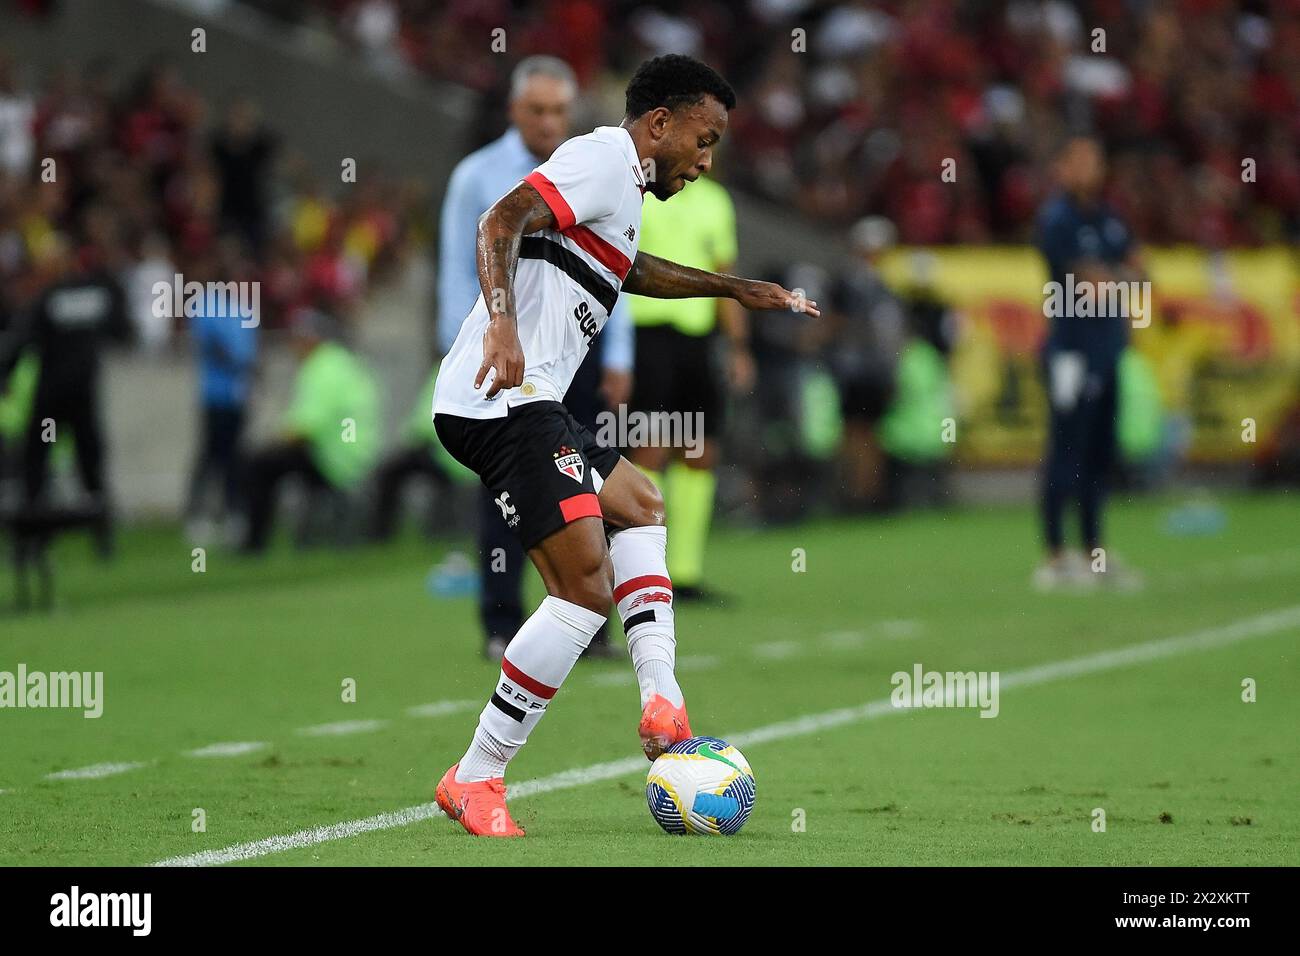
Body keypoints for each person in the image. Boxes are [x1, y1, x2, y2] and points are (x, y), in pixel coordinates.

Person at [430, 54, 818, 837]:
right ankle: (476, 776)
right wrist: (502, 324)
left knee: (640, 502)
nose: (707, 161)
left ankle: (661, 702)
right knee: (581, 591)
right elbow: (498, 220)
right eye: (703, 140)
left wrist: (732, 288)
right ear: (660, 123)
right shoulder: (602, 159)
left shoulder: (624, 187)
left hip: (533, 400)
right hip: (502, 401)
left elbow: (625, 268)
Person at [437, 56, 635, 659]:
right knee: (507, 494)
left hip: (574, 357)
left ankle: (589, 620)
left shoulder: (585, 169)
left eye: (558, 111)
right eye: (537, 110)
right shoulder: (478, 175)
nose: (549, 122)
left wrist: (619, 352)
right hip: (503, 357)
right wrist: (462, 345)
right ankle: (500, 623)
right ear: (513, 110)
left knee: (587, 486)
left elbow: (611, 264)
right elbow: (454, 266)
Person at [623, 173, 749, 600]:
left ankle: (685, 572)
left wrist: (737, 346)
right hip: (645, 334)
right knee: (649, 448)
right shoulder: (637, 193)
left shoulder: (716, 199)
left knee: (699, 451)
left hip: (697, 338)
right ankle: (639, 569)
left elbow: (725, 274)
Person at [1033, 134, 1145, 591]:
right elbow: (1092, 284)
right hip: (1070, 353)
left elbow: (1140, 274)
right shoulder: (1057, 220)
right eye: (1078, 159)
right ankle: (1057, 555)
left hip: (1107, 351)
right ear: (1061, 167)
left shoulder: (1109, 218)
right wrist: (1120, 279)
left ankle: (1095, 552)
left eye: (1094, 159)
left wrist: (1117, 279)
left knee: (1099, 455)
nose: (1088, 168)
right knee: (1066, 451)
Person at [0, 232, 130, 554]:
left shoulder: (47, 297)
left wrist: (5, 376)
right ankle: (103, 537)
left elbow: (21, 342)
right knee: (91, 467)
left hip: (51, 399)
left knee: (36, 465)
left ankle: (33, 536)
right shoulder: (97, 293)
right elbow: (122, 330)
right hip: (83, 397)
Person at [241, 310, 379, 553]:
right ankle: (302, 536)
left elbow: (307, 425)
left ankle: (253, 544)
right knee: (274, 460)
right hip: (356, 453)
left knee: (259, 464)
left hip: (333, 458)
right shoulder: (343, 362)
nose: (294, 346)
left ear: (312, 339)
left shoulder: (321, 367)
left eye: (297, 339)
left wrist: (275, 439)